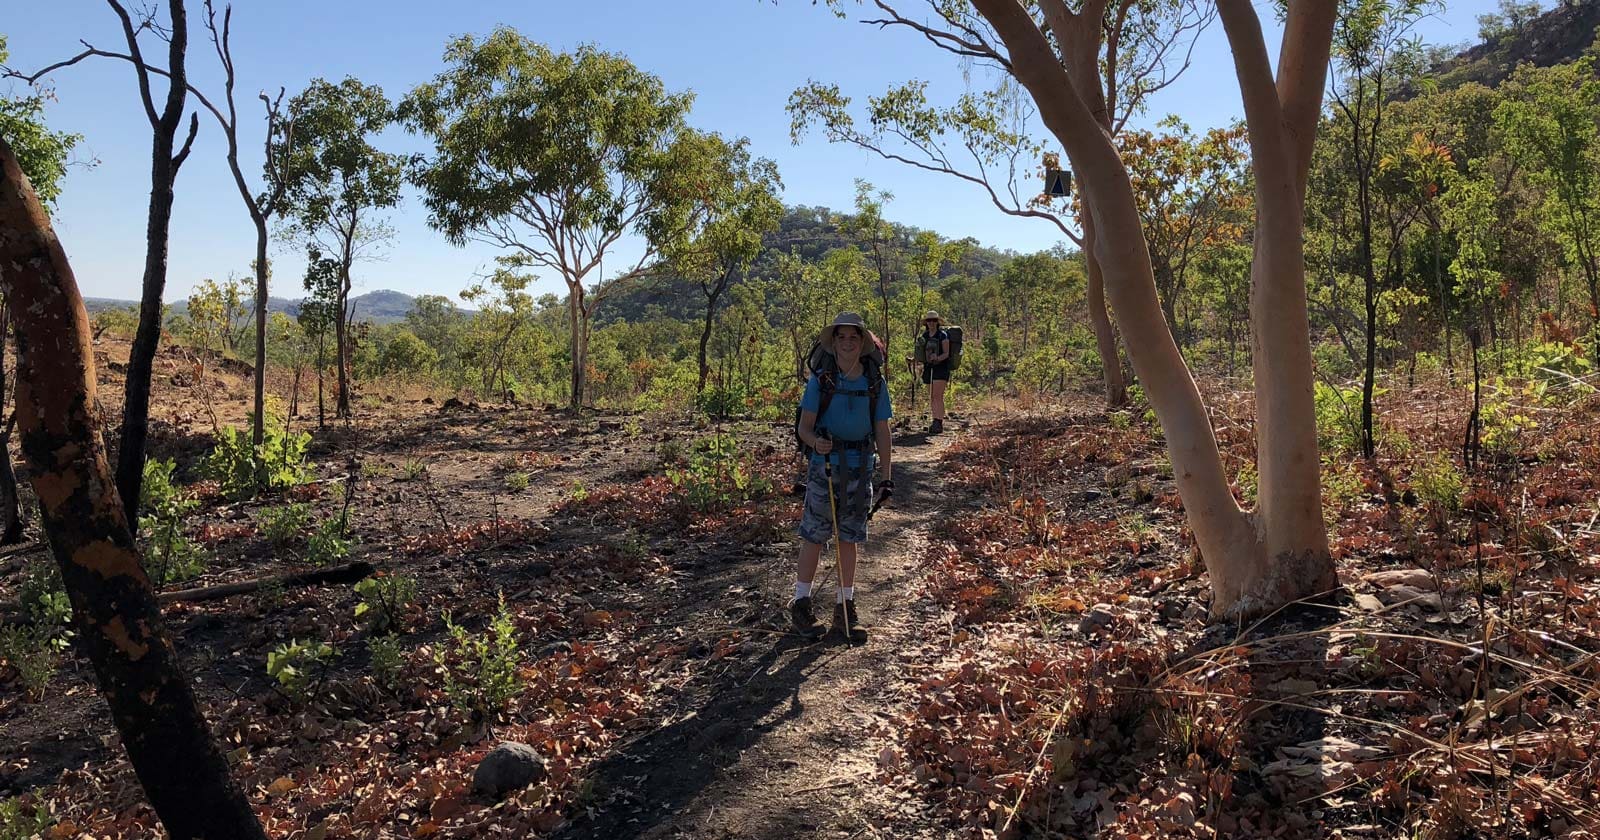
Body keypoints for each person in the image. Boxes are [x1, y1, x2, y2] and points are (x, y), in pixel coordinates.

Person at [790, 312, 893, 641]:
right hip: (825, 467)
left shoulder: (874, 382)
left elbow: (883, 431)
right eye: (841, 337)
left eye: (853, 337)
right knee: (815, 535)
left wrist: (887, 477)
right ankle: (801, 604)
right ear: (833, 342)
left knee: (849, 538)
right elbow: (804, 429)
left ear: (862, 342)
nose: (847, 342)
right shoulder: (821, 380)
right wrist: (815, 443)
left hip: (861, 467)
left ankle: (844, 608)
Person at [918, 311, 952, 434]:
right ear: (926, 323)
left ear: (937, 322)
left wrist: (937, 358)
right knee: (932, 396)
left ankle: (939, 422)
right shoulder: (925, 335)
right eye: (929, 320)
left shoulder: (943, 335)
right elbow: (921, 352)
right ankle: (935, 421)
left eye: (934, 320)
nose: (931, 323)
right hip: (928, 368)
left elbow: (946, 353)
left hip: (941, 368)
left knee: (938, 396)